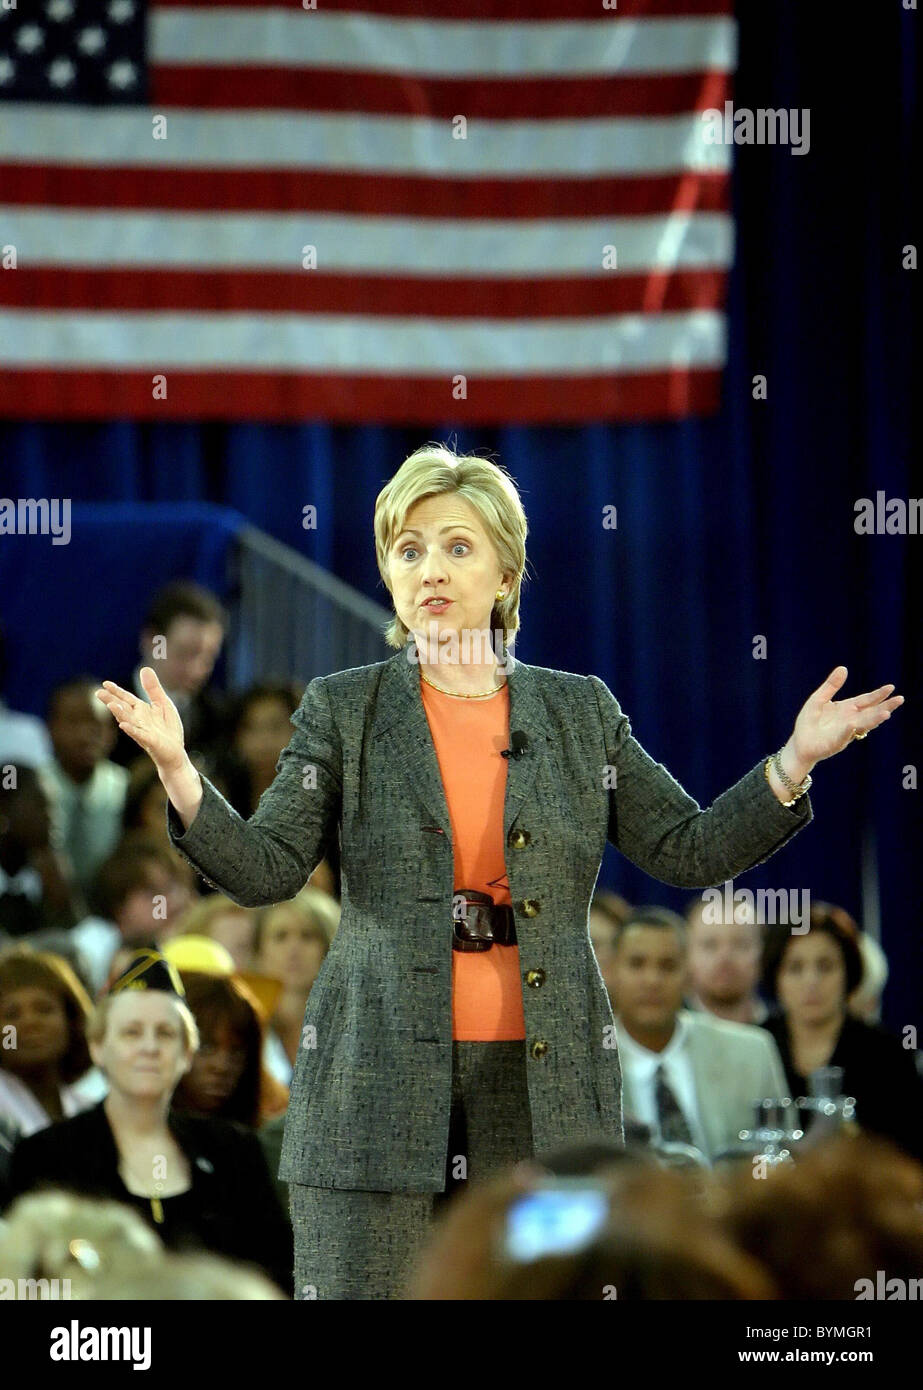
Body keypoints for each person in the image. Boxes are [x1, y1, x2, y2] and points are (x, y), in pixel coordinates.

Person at [93, 443, 903, 1300]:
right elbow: (263, 871)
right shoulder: (343, 706)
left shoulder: (578, 710)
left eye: (456, 546)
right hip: (375, 1088)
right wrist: (181, 771)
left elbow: (687, 848)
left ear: (506, 574)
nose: (430, 569)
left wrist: (792, 762)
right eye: (407, 551)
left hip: (542, 1085)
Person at [4, 949, 293, 1293]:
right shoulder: (46, 1154)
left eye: (166, 1034)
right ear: (98, 1047)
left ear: (187, 1053)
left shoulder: (234, 1148)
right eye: (131, 1032)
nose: (149, 1047)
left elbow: (277, 1271)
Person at [608, 908, 787, 1163]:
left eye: (668, 966)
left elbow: (780, 1157)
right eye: (637, 964)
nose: (652, 980)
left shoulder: (752, 1052)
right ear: (611, 972)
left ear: (689, 974)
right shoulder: (586, 1066)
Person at [761, 905, 923, 1163]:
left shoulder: (887, 1053)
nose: (811, 981)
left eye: (825, 967)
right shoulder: (755, 1044)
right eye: (795, 968)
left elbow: (908, 1156)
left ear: (848, 974)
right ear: (775, 977)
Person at [110, 582, 229, 776]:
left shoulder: (217, 715)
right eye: (183, 653)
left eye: (208, 657)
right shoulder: (109, 709)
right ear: (152, 641)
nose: (196, 669)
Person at [37, 678, 129, 896]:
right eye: (73, 722)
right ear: (51, 728)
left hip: (108, 903)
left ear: (112, 733)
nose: (85, 735)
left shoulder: (124, 786)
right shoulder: (34, 787)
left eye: (96, 724)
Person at [0, 948, 96, 1142]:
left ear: (72, 1020)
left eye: (44, 1009)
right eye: (11, 1014)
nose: (30, 1023)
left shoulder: (89, 1111)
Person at [253, 890, 338, 1088]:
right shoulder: (246, 1026)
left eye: (307, 936)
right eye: (280, 937)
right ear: (259, 952)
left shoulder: (349, 1027)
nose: (294, 949)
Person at [684, 895, 768, 1025]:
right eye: (710, 944)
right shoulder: (665, 1030)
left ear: (763, 952)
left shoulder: (791, 1030)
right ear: (687, 954)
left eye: (740, 944)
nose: (725, 957)